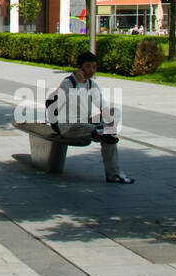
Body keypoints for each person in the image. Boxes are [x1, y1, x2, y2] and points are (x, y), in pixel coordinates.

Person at [45, 52, 134, 184]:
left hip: (85, 123)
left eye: (94, 67)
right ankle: (113, 173)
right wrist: (79, 83)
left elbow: (101, 103)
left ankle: (103, 131)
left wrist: (110, 120)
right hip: (68, 126)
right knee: (108, 137)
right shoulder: (68, 83)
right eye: (88, 66)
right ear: (79, 67)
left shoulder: (91, 84)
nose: (92, 70)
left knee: (113, 112)